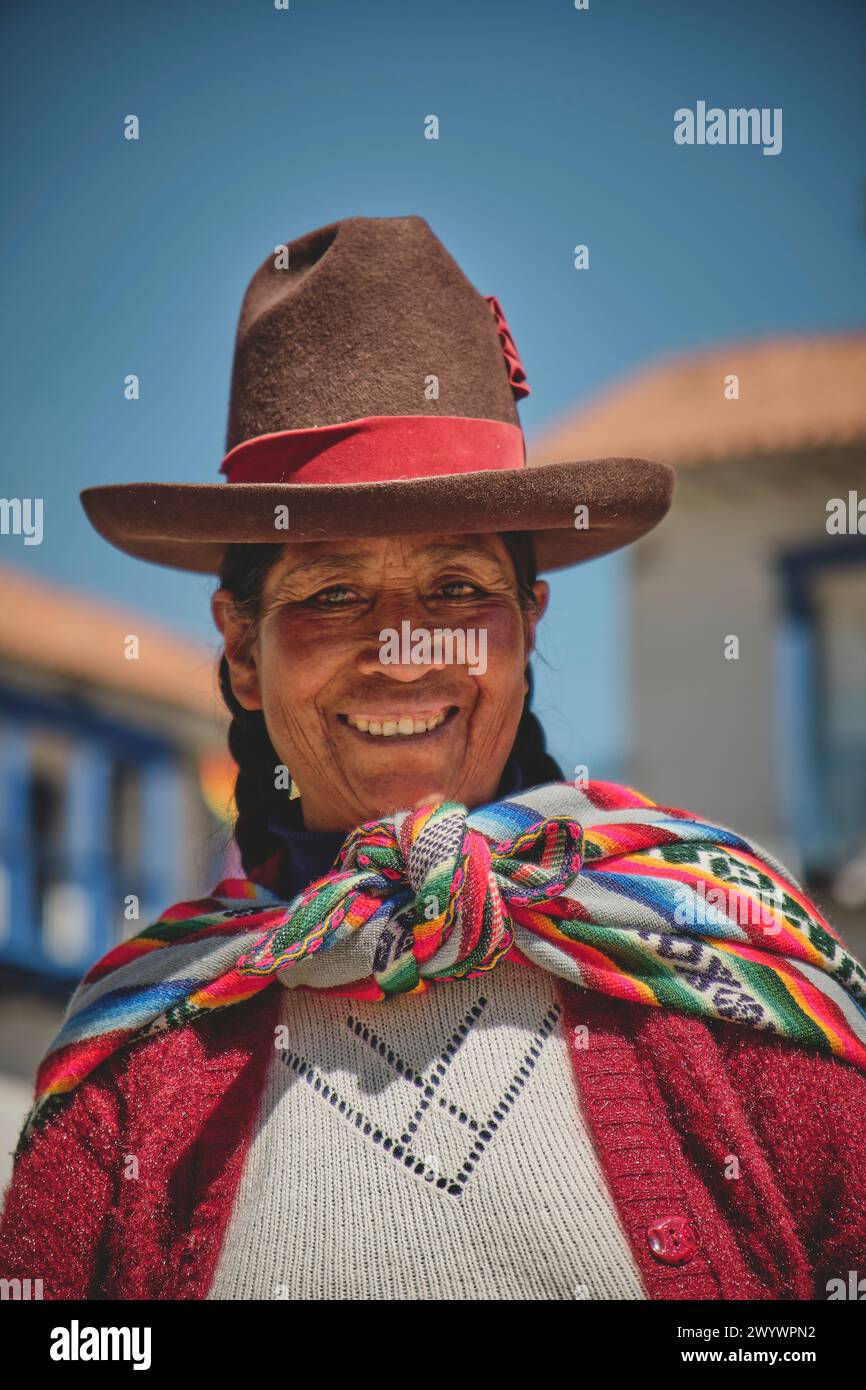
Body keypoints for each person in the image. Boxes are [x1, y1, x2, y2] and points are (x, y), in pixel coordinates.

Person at [1, 215, 865, 1301]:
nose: (403, 653)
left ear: (526, 621)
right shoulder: (128, 1085)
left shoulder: (726, 970)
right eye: (331, 594)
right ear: (241, 648)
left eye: (457, 588)